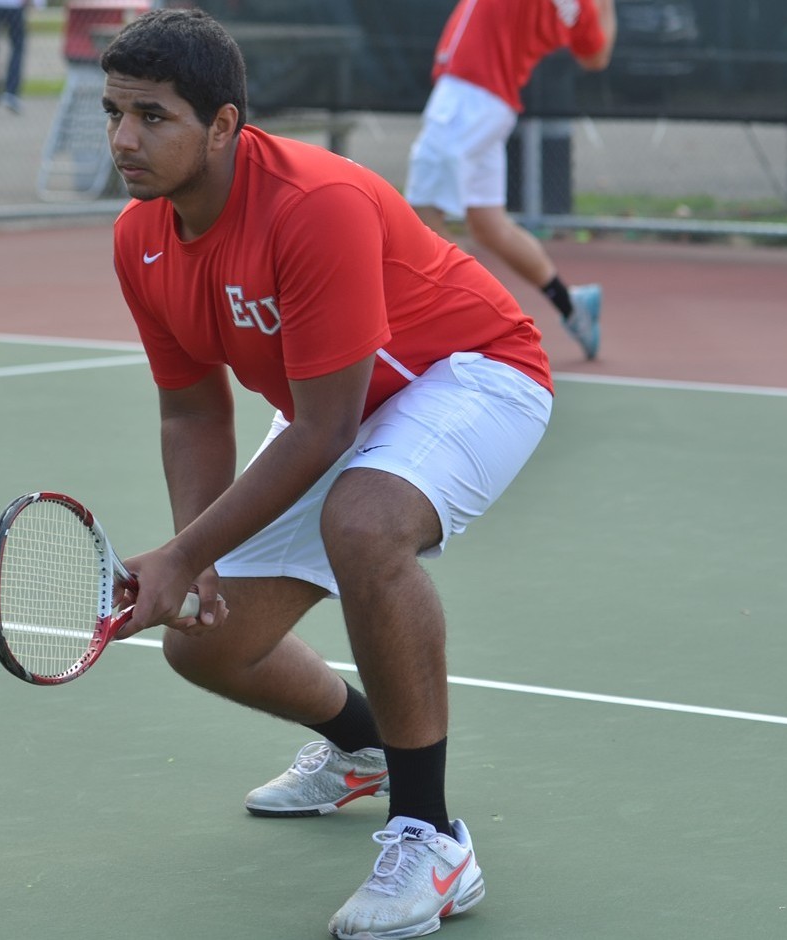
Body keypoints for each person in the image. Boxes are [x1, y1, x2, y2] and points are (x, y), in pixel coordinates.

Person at [99, 10, 555, 938]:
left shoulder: (314, 204)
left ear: (223, 125)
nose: (123, 141)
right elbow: (192, 411)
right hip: (333, 400)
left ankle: (432, 837)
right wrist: (200, 560)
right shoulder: (139, 239)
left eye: (152, 117)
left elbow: (325, 430)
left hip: (472, 372)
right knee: (206, 644)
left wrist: (181, 555)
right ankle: (365, 747)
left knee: (365, 523)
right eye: (114, 113)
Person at [405, 0, 618, 360]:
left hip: (466, 98)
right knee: (489, 226)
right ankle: (570, 305)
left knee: (423, 217)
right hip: (491, 102)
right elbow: (596, 57)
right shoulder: (581, 7)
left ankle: (461, 324)